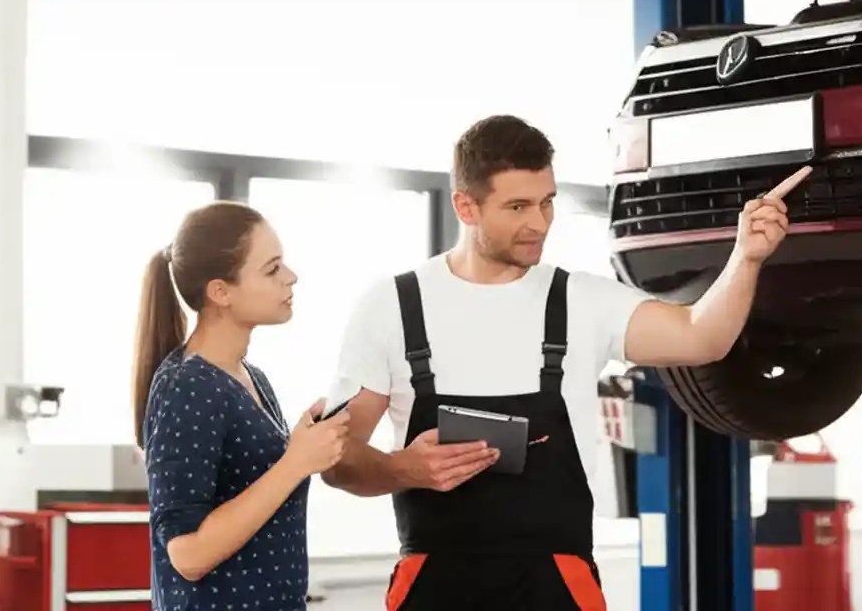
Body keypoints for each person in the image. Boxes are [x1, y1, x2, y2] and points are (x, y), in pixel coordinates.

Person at [320, 116, 810, 610]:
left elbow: (702, 337)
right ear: (464, 206)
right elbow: (338, 461)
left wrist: (746, 258)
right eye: (517, 207)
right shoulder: (393, 306)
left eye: (547, 202)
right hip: (432, 587)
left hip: (557, 586)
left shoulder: (581, 300)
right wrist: (402, 468)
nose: (539, 223)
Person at [133, 200, 350, 610]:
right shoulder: (188, 385)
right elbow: (188, 555)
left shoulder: (251, 378)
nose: (291, 277)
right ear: (220, 292)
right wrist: (295, 462)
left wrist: (303, 446)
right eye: (272, 269)